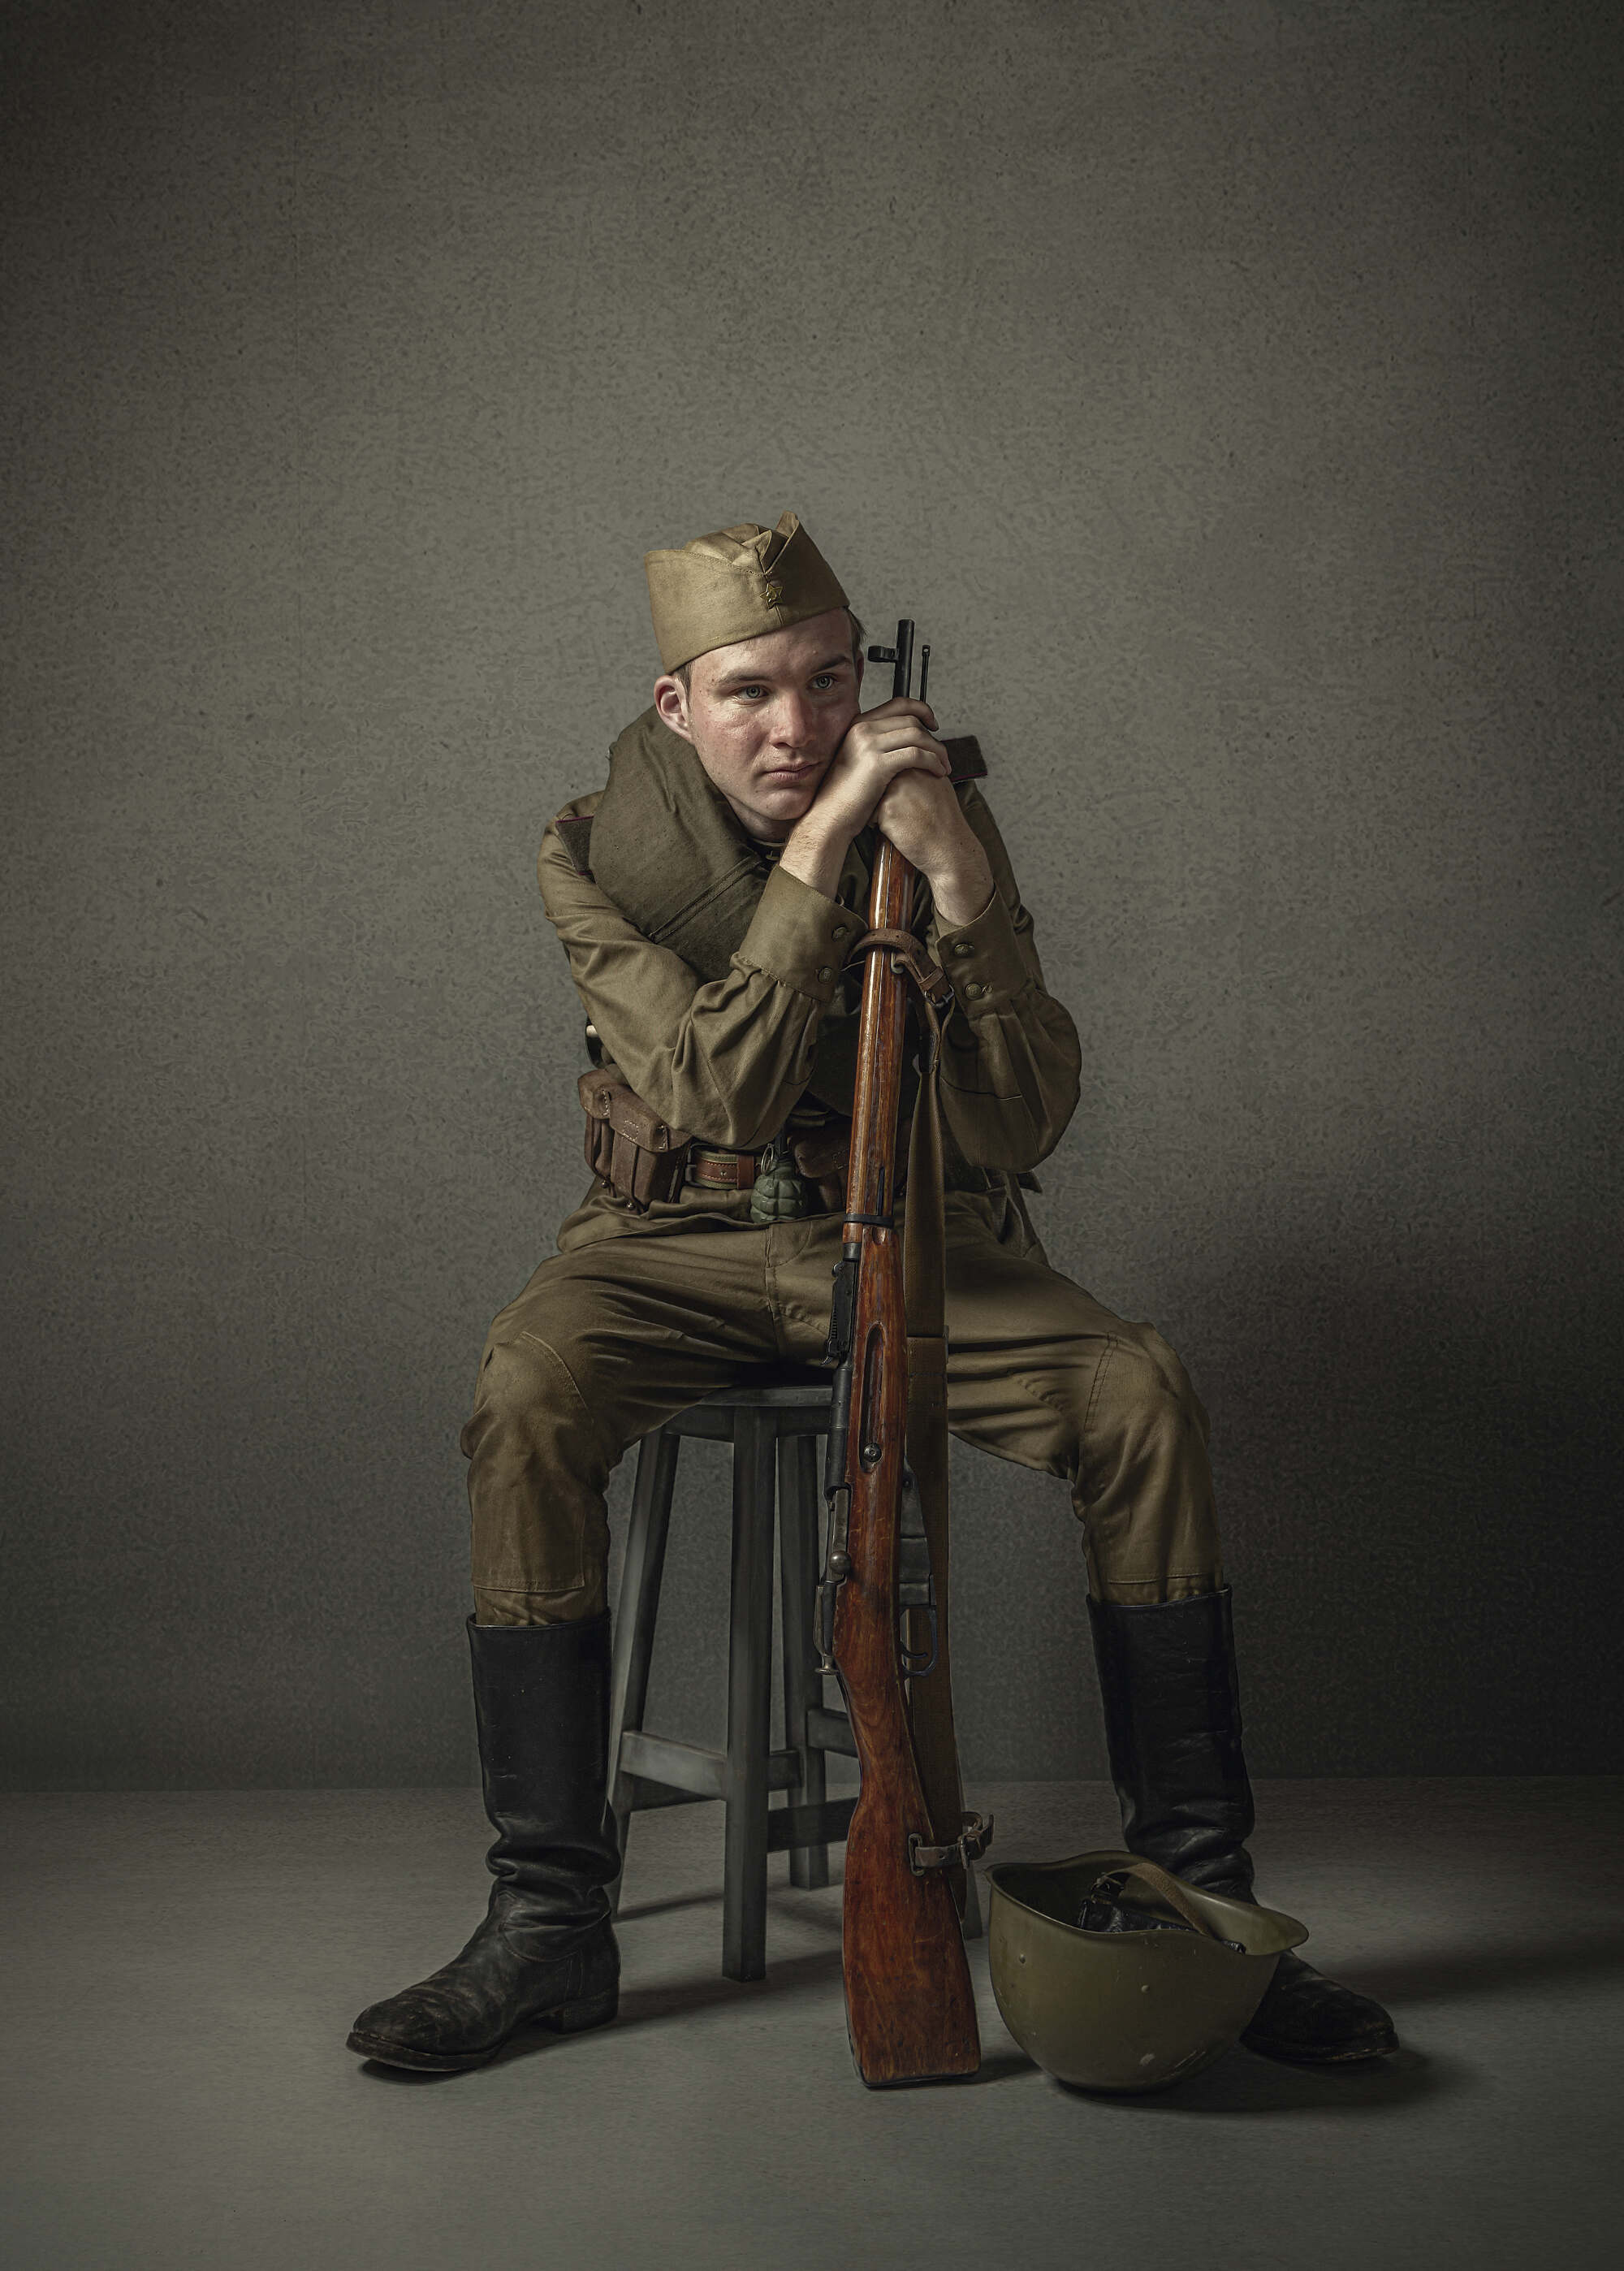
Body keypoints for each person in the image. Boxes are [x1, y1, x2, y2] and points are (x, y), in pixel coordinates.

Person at [347, 513, 1397, 2074]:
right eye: (752, 692)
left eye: (828, 682)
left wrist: (958, 871)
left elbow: (1022, 1116)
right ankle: (548, 1923)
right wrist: (831, 845)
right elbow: (718, 1090)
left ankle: (1203, 1910)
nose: (797, 725)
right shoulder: (589, 852)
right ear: (676, 707)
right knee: (526, 1391)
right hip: (670, 1252)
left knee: (1139, 1393)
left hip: (912, 1235)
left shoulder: (936, 815)